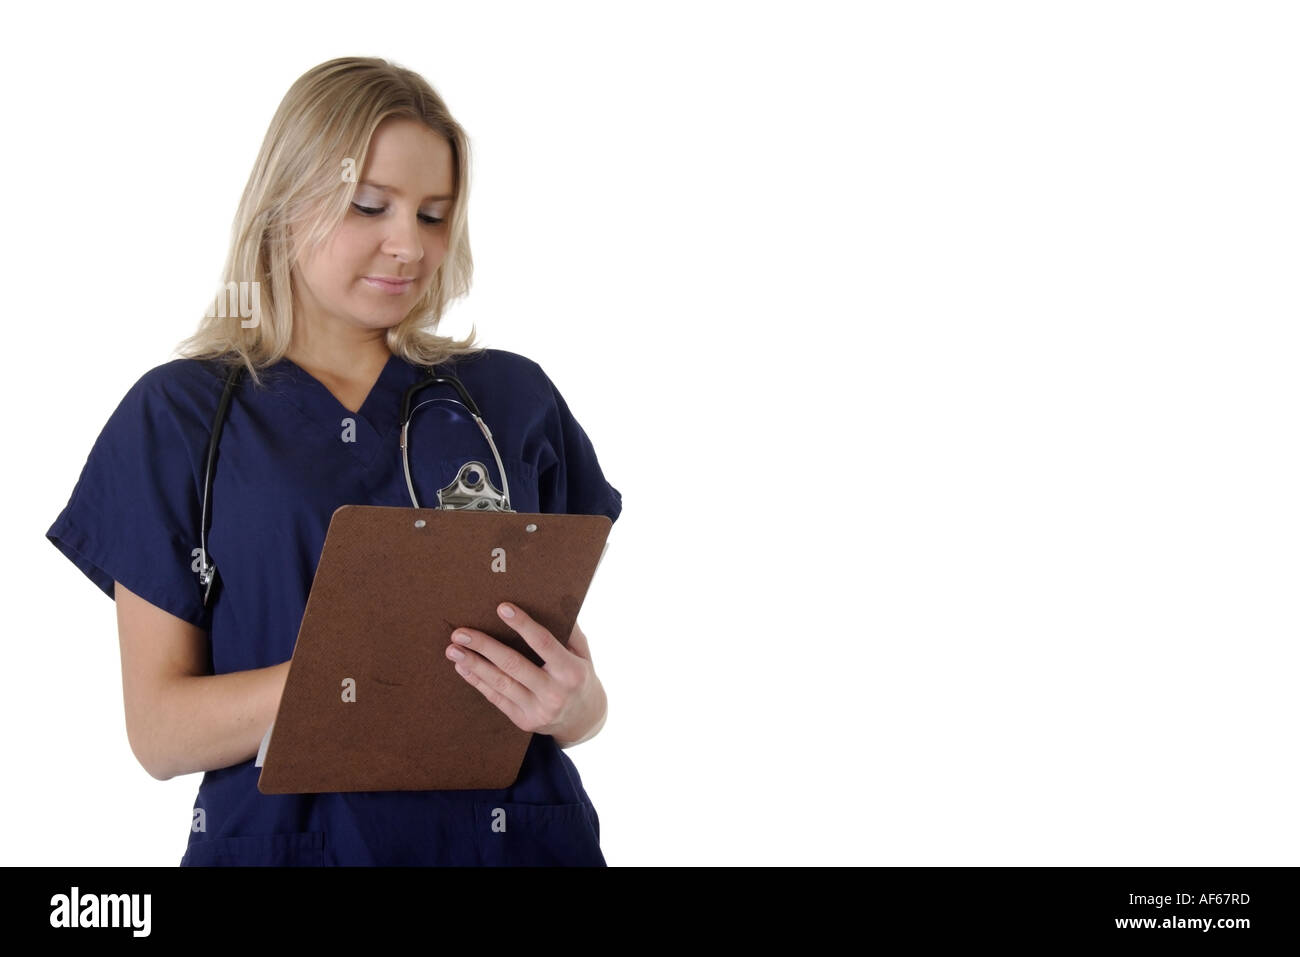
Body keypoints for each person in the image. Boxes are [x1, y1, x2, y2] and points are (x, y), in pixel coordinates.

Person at [44, 57, 622, 866]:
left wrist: (573, 700)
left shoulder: (509, 400)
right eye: (369, 206)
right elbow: (160, 733)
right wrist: (351, 672)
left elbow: (576, 694)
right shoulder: (179, 416)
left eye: (433, 214)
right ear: (284, 205)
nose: (407, 245)